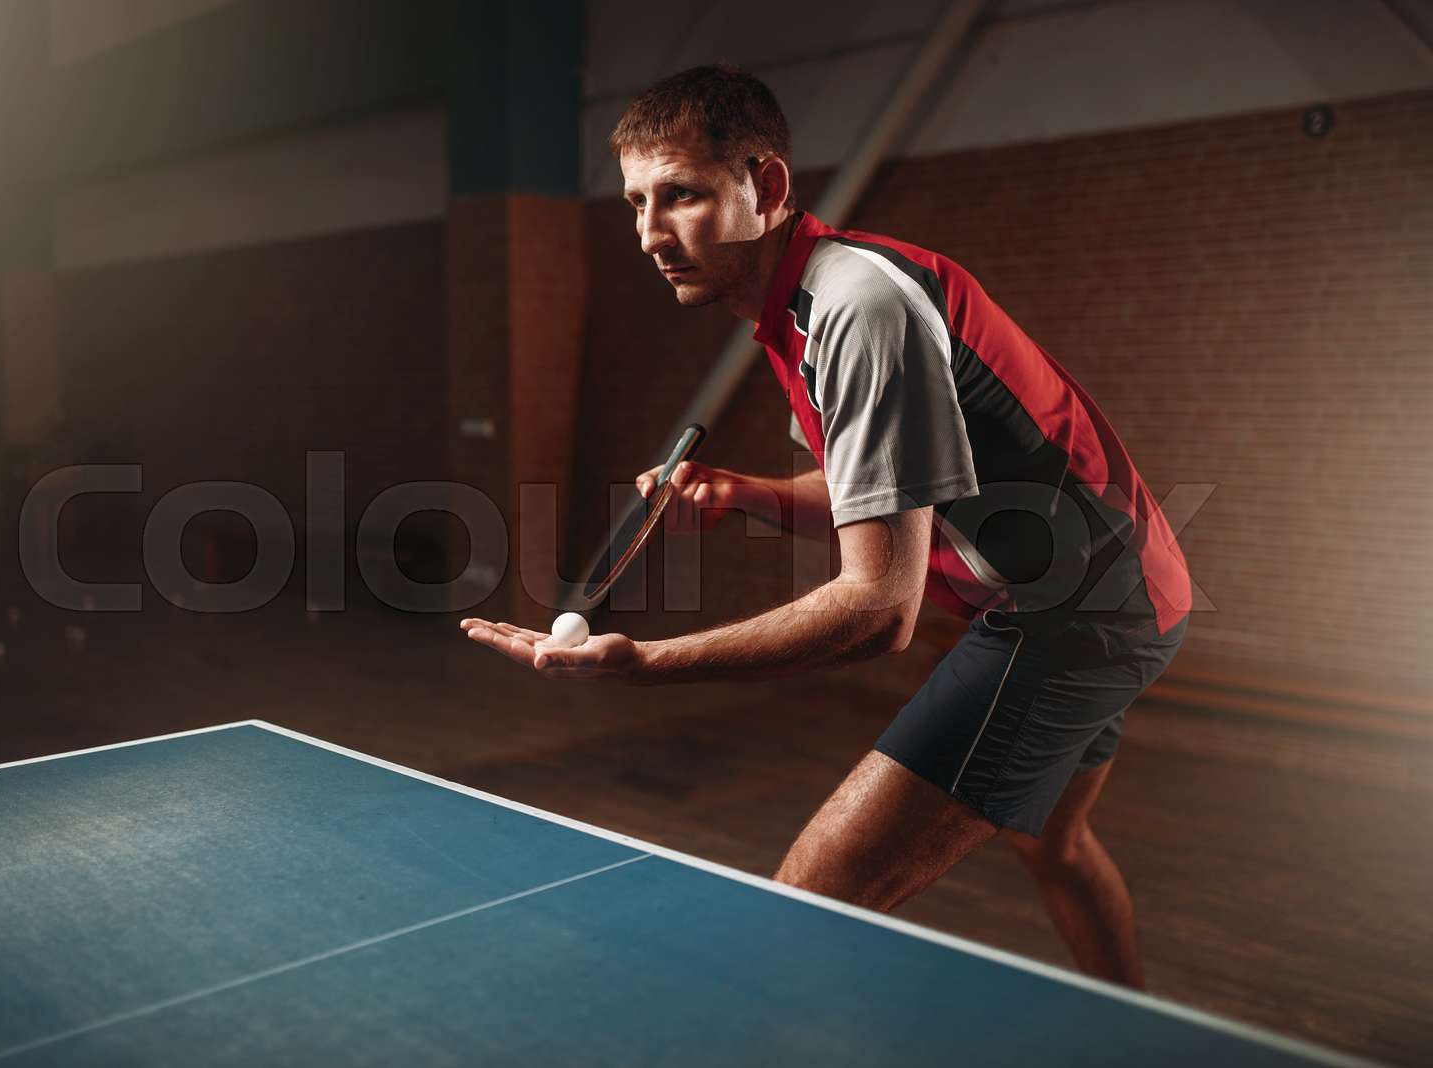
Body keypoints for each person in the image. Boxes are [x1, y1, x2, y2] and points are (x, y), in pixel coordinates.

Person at [461, 64, 1191, 990]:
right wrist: (750, 492)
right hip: (1127, 591)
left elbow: (877, 610)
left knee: (810, 902)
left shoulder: (856, 308)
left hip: (1071, 616)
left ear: (765, 187)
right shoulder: (805, 304)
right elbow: (897, 488)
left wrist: (644, 666)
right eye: (637, 202)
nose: (649, 234)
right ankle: (1141, 1031)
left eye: (679, 195)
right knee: (1054, 846)